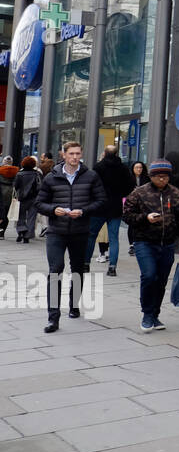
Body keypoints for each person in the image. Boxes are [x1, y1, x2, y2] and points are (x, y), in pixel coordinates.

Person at [34, 142, 107, 333]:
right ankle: (53, 317)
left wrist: (83, 211)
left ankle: (74, 305)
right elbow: (39, 203)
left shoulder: (91, 176)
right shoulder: (52, 177)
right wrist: (53, 210)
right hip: (56, 231)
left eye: (78, 153)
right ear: (64, 155)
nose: (75, 157)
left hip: (80, 231)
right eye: (71, 154)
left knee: (77, 270)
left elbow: (101, 201)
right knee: (55, 269)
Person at [121, 160, 179, 332]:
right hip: (144, 242)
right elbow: (126, 215)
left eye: (165, 176)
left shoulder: (176, 194)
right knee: (149, 275)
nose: (162, 180)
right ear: (151, 176)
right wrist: (145, 218)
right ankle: (146, 313)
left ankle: (155, 314)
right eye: (158, 177)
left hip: (167, 244)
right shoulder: (139, 193)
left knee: (160, 281)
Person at [88, 145, 135, 276]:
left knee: (91, 235)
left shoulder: (98, 167)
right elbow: (130, 185)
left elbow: (91, 185)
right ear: (116, 153)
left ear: (105, 153)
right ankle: (112, 267)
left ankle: (86, 263)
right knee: (114, 238)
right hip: (115, 206)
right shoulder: (123, 168)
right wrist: (121, 194)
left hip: (99, 206)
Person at [13, 157, 41, 243]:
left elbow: (15, 186)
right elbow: (40, 186)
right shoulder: (36, 173)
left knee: (21, 216)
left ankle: (21, 231)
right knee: (31, 217)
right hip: (34, 198)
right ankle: (27, 235)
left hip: (22, 198)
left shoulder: (19, 174)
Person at [127, 161, 149, 256]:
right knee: (132, 224)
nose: (139, 169)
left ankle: (140, 243)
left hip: (143, 204)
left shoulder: (146, 179)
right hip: (132, 204)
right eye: (137, 167)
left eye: (140, 167)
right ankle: (132, 244)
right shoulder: (129, 179)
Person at [36, 152, 54, 237]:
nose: (40, 158)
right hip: (53, 191)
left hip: (45, 190)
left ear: (46, 158)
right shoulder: (55, 165)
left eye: (42, 157)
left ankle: (45, 227)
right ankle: (47, 227)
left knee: (41, 210)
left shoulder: (42, 167)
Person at [0, 155, 18, 239]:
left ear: (4, 162)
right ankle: (2, 231)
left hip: (1, 191)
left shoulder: (0, 170)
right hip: (10, 192)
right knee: (6, 212)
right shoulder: (16, 172)